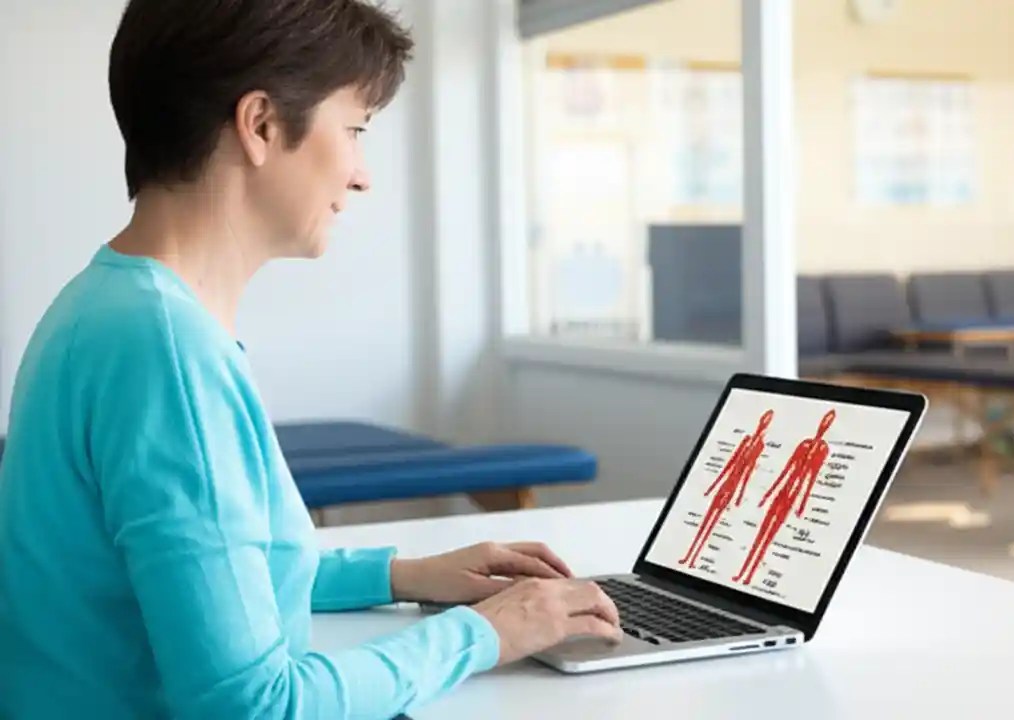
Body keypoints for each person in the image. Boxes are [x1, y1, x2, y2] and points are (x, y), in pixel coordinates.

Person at [0, 1, 621, 718]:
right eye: (354, 130)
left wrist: (403, 575)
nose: (361, 176)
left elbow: (211, 577)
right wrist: (485, 634)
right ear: (261, 125)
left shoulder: (109, 304)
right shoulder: (163, 350)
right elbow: (254, 705)